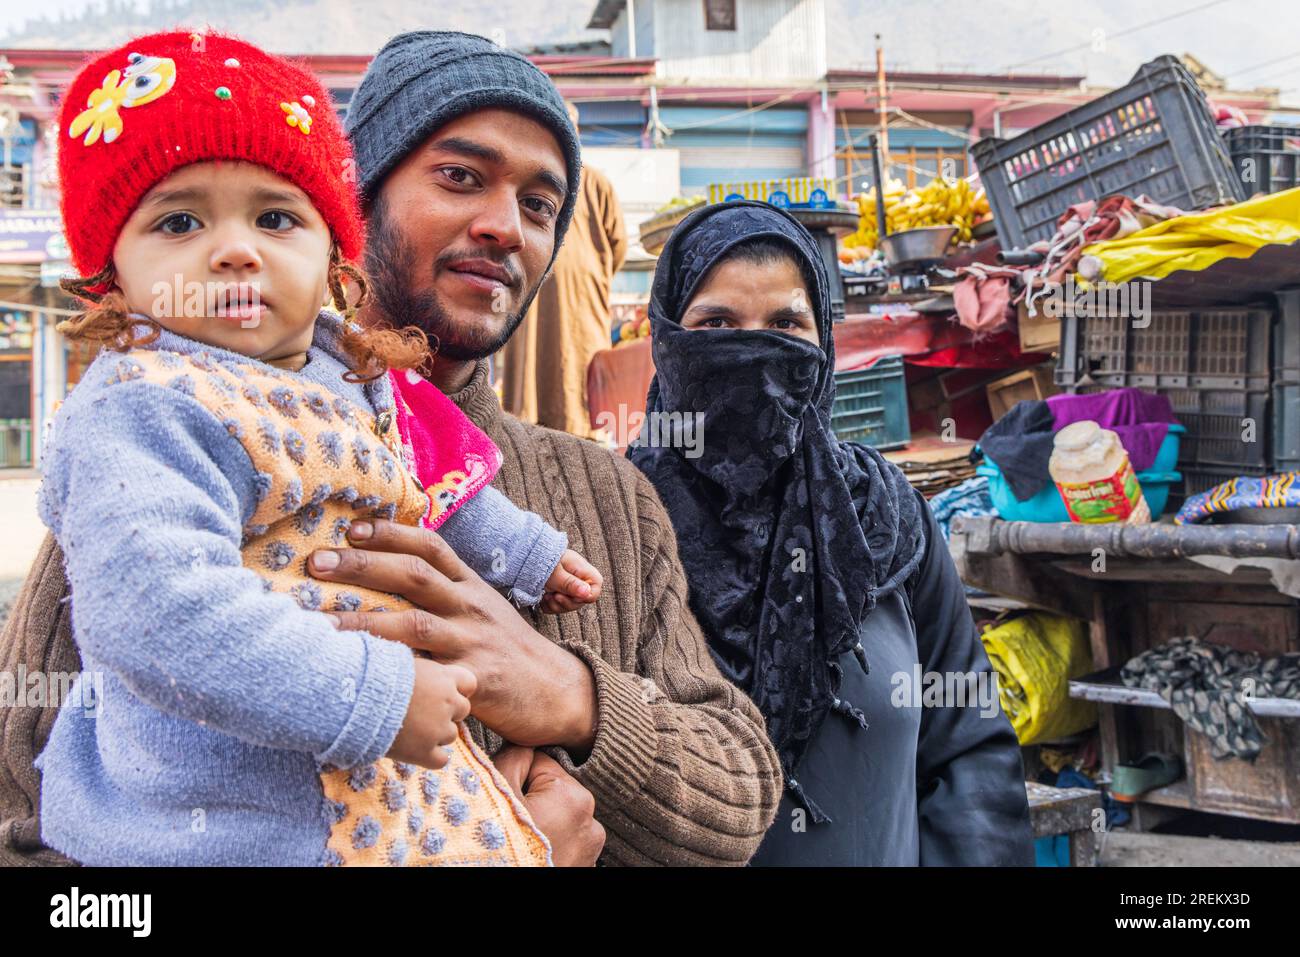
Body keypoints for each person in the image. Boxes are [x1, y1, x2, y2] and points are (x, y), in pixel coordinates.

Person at [0, 31, 783, 868]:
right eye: (460, 176)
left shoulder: (611, 498)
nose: (505, 227)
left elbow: (742, 792)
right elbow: (24, 827)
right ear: (355, 205)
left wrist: (571, 696)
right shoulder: (175, 449)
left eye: (539, 206)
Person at [628, 200, 1035, 866]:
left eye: (786, 324)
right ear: (668, 341)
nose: (756, 353)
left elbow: (968, 750)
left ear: (822, 347)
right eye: (717, 324)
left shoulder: (884, 519)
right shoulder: (619, 524)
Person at [498, 101, 627, 438]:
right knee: (529, 391)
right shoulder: (522, 176)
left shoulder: (595, 183)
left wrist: (588, 275)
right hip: (530, 291)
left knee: (581, 381)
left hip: (581, 303)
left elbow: (617, 245)